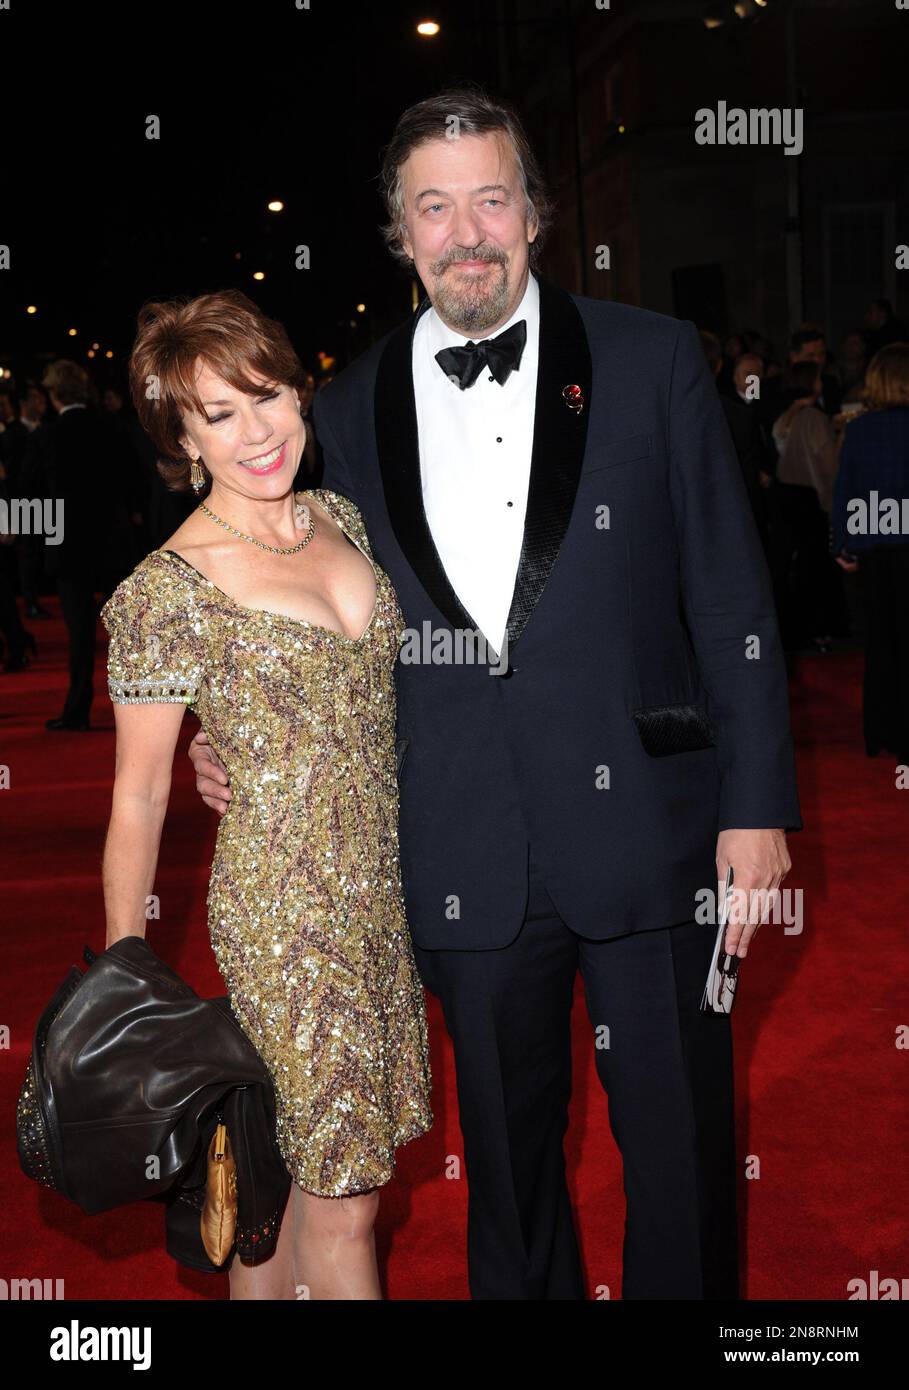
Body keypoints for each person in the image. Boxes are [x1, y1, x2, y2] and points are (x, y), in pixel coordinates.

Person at [190, 86, 799, 1301]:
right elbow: (290, 584)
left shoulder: (652, 357)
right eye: (435, 207)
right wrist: (229, 728)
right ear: (400, 234)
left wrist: (757, 806)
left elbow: (734, 599)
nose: (467, 233)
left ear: (535, 213)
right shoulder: (348, 408)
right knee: (509, 1178)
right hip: (463, 841)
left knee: (679, 1154)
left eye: (491, 199)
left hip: (655, 829)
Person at [99, 289, 432, 1299]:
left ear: (300, 392)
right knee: (347, 1200)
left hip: (379, 901)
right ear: (184, 436)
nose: (259, 431)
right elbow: (140, 797)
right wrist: (124, 977)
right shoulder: (167, 589)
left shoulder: (339, 517)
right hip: (284, 918)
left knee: (274, 1193)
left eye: (270, 395)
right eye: (221, 413)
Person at [832, 342, 909, 761]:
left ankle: (880, 731)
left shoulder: (860, 429)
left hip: (877, 548)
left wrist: (844, 543)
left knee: (880, 644)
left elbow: (846, 491)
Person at [768, 361, 842, 651]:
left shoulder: (786, 416)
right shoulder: (813, 417)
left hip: (786, 495)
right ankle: (819, 628)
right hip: (809, 498)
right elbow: (826, 465)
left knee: (793, 566)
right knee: (815, 567)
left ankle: (797, 628)